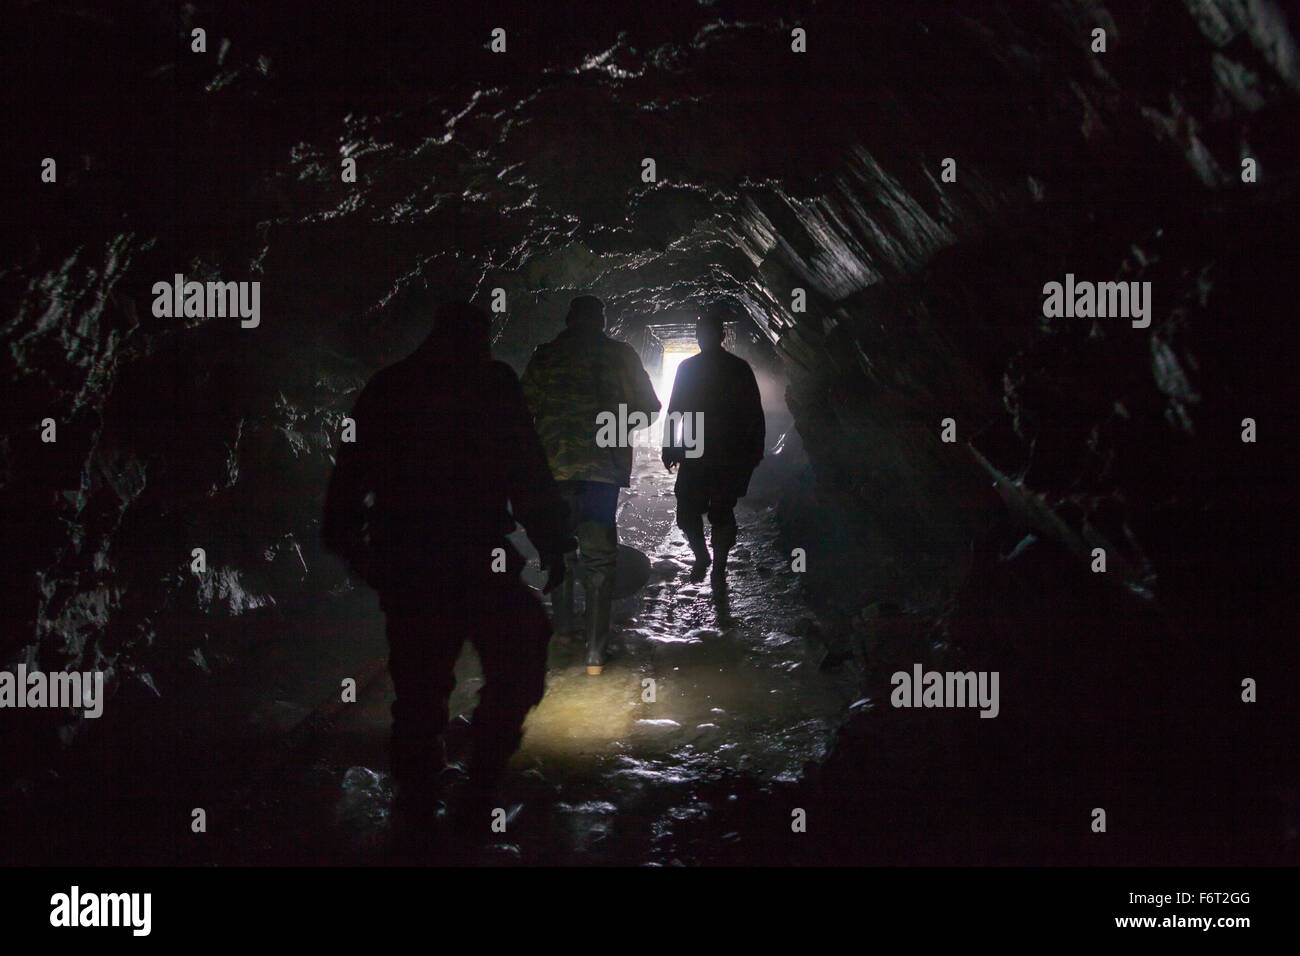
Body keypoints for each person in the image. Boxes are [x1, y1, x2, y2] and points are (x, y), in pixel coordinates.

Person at [321, 295, 573, 826]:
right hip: (476, 554)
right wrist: (551, 540)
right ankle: (476, 785)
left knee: (419, 687)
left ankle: (418, 803)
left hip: (411, 558)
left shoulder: (388, 386)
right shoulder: (492, 382)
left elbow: (348, 476)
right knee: (519, 657)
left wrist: (353, 547)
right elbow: (526, 467)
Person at [521, 295, 660, 675]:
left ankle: (563, 633)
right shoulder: (622, 355)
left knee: (559, 550)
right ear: (601, 321)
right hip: (600, 474)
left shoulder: (544, 355)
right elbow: (649, 407)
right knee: (599, 560)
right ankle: (595, 655)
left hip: (552, 473)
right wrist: (613, 431)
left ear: (568, 320)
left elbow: (521, 410)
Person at [662, 306, 765, 583]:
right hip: (722, 452)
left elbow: (676, 412)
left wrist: (670, 448)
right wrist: (754, 452)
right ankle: (711, 560)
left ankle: (712, 562)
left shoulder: (694, 368)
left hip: (709, 451)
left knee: (697, 510)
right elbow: (754, 414)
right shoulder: (737, 368)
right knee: (709, 510)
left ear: (717, 335)